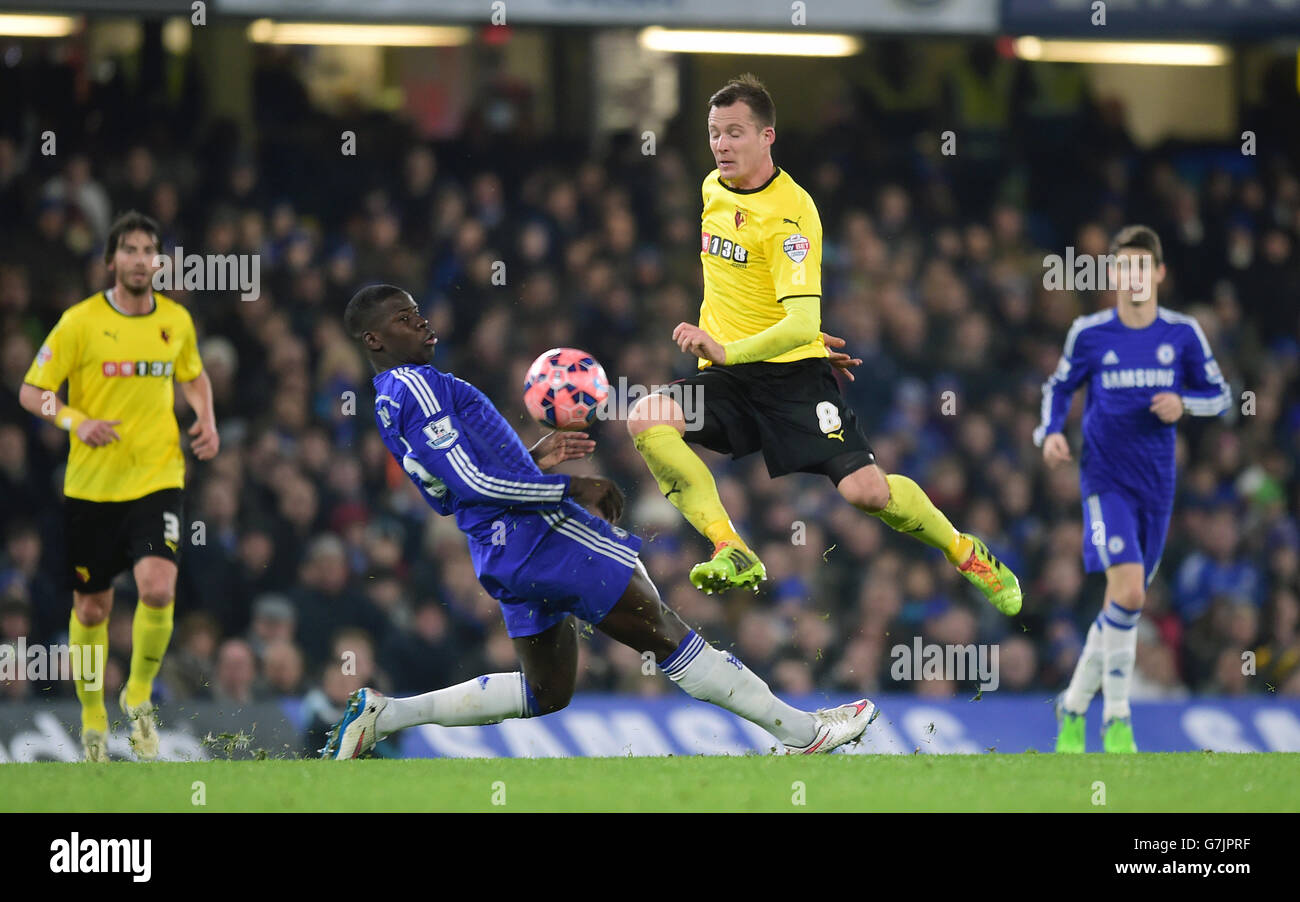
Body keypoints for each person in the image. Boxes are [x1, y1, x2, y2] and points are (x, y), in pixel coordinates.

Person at [322, 284, 879, 759]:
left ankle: (384, 715)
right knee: (664, 631)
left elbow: (450, 493)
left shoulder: (388, 401)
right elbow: (473, 484)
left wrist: (533, 459)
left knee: (547, 690)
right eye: (402, 318)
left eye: (417, 310)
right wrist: (569, 486)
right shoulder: (420, 385)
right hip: (540, 535)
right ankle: (804, 732)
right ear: (373, 340)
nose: (419, 321)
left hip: (497, 552)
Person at [625, 73, 1022, 619]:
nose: (721, 144)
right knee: (647, 418)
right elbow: (747, 290)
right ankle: (730, 547)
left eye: (735, 133)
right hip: (727, 377)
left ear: (767, 136)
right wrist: (739, 350)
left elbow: (800, 319)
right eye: (714, 133)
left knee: (866, 492)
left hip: (788, 380)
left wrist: (742, 347)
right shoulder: (711, 189)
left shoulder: (792, 214)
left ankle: (963, 550)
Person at [18, 210, 219, 761]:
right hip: (92, 487)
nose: (139, 259)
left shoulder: (175, 320)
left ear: (158, 262)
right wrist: (75, 421)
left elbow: (194, 373)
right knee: (91, 611)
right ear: (112, 261)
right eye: (128, 249)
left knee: (157, 588)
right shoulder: (79, 322)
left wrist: (206, 416)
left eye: (148, 250)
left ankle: (138, 697)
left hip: (157, 479)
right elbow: (33, 392)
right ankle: (91, 717)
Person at [1036, 224, 1232, 753]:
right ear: (1113, 275)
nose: (1133, 276)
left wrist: (1183, 403)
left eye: (1143, 266)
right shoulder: (1091, 332)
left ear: (1159, 274)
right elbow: (1060, 386)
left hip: (1158, 486)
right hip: (1105, 479)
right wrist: (1051, 431)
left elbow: (1221, 396)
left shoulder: (1183, 334)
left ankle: (1073, 703)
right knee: (1128, 593)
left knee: (1123, 605)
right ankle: (1117, 718)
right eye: (1124, 267)